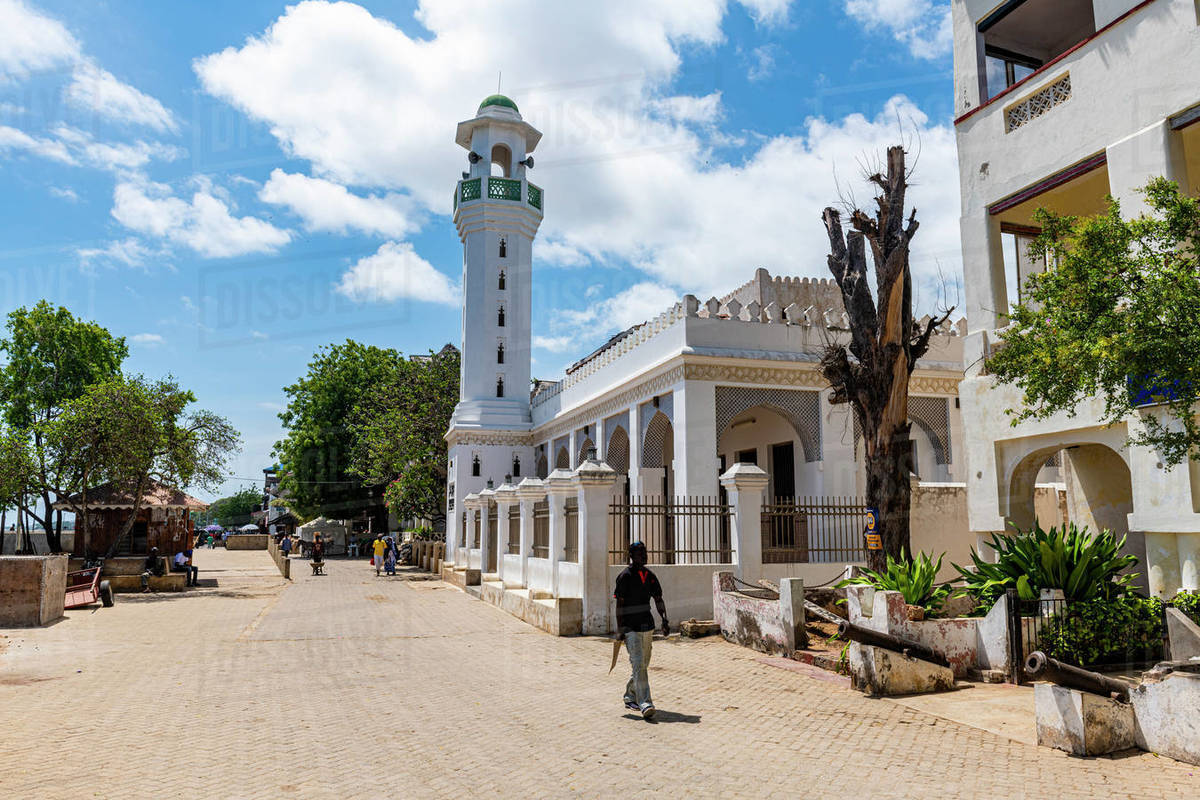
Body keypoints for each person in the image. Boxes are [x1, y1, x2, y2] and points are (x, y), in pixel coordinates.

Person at [612, 541, 669, 720]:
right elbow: (619, 605)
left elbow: (658, 598)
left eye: (645, 552)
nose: (644, 556)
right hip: (631, 628)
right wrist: (620, 629)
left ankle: (630, 695)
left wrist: (665, 619)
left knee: (642, 665)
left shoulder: (650, 576)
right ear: (632, 555)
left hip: (647, 626)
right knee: (638, 664)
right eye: (640, 553)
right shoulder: (624, 577)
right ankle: (645, 703)